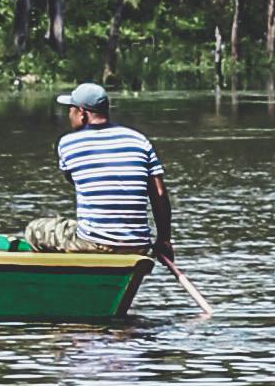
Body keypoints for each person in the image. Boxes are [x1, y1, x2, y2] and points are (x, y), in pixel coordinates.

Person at [26, 81, 176, 264]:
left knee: (34, 230)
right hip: (139, 245)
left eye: (70, 109)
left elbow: (76, 181)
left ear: (82, 113)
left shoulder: (68, 144)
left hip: (97, 243)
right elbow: (159, 194)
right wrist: (164, 240)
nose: (68, 115)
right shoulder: (139, 140)